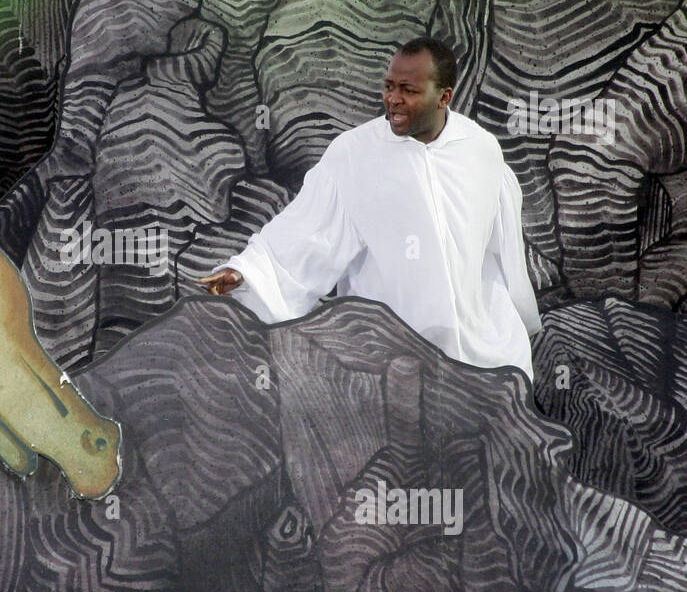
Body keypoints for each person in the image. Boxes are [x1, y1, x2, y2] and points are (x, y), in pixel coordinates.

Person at [197, 37, 543, 381]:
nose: (393, 100)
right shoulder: (355, 155)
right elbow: (304, 232)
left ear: (444, 97)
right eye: (389, 86)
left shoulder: (481, 150)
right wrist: (249, 272)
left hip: (484, 359)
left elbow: (504, 252)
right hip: (392, 364)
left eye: (408, 90)